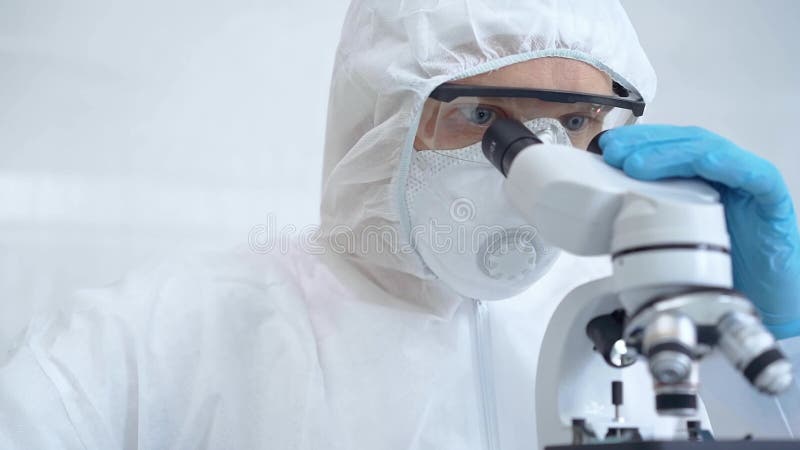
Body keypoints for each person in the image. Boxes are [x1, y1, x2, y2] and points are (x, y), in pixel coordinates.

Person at [1, 0, 799, 448]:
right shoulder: (154, 342)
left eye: (581, 119)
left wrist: (780, 344)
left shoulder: (638, 322)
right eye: (485, 116)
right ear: (382, 120)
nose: (536, 169)